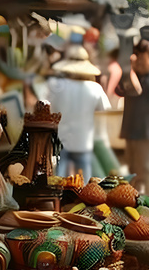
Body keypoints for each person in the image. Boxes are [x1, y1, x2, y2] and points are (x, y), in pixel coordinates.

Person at [47, 45, 111, 181]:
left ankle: (60, 202)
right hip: (83, 141)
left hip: (61, 139)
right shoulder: (95, 88)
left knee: (58, 181)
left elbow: (46, 106)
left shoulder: (55, 85)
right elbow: (105, 108)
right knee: (86, 183)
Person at [117, 39, 149, 196]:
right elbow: (120, 90)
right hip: (131, 126)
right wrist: (129, 70)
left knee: (145, 168)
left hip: (148, 129)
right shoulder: (132, 72)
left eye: (141, 56)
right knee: (133, 169)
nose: (139, 59)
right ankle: (133, 201)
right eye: (136, 55)